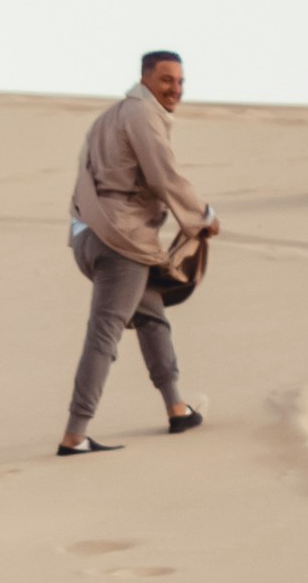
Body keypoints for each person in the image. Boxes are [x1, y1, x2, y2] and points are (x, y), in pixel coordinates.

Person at [62, 50, 212, 455]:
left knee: (151, 318)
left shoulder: (106, 119)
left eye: (180, 81)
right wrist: (201, 218)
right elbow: (164, 174)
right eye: (166, 80)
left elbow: (83, 175)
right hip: (119, 240)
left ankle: (177, 408)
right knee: (105, 333)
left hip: (90, 234)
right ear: (145, 78)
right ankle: (75, 434)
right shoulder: (141, 115)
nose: (175, 89)